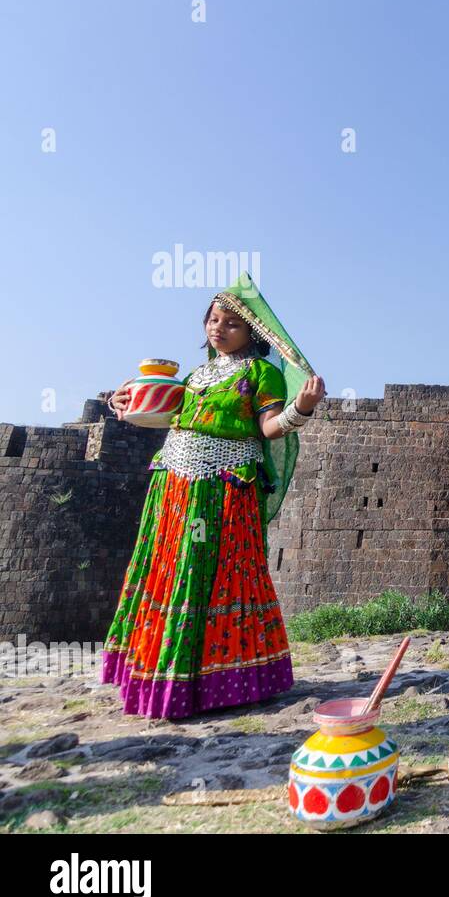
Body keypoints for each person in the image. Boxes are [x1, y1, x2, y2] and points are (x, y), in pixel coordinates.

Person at [100, 278, 325, 719]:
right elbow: (153, 417)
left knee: (217, 571)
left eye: (232, 324)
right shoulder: (194, 377)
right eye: (213, 319)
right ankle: (161, 673)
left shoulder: (262, 373)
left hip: (224, 487)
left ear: (253, 334)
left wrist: (301, 409)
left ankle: (224, 679)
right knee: (169, 569)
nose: (218, 328)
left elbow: (267, 428)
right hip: (175, 484)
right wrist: (119, 402)